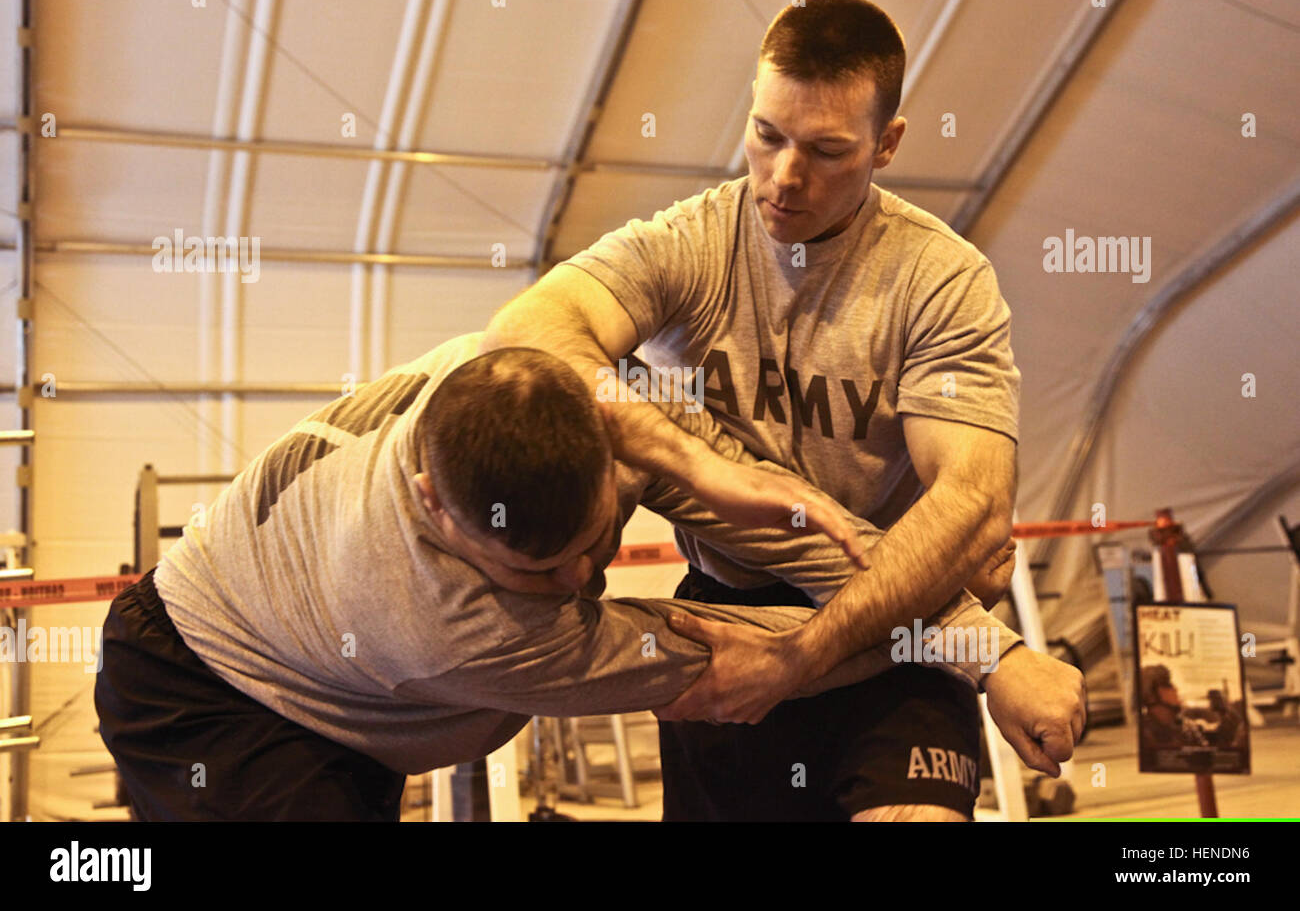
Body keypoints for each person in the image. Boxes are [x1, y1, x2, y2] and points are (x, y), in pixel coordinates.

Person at [484, 0, 1086, 821]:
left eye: (827, 149)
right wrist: (700, 468)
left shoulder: (940, 280)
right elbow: (527, 335)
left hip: (902, 630)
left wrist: (804, 657)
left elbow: (973, 507)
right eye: (766, 135)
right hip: (725, 617)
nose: (784, 176)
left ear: (888, 145)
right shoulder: (693, 243)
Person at [94, 333, 1026, 821]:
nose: (583, 575)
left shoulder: (501, 373)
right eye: (542, 570)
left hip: (323, 689)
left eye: (592, 540)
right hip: (206, 700)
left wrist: (983, 637)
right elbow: (735, 665)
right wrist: (956, 645)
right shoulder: (446, 616)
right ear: (438, 506)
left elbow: (732, 497)